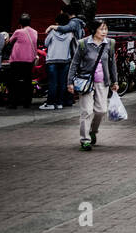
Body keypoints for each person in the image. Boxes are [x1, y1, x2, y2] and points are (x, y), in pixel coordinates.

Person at [67, 18, 118, 151]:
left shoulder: (110, 44)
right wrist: (70, 81)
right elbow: (75, 63)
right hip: (85, 82)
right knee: (87, 111)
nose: (104, 32)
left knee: (101, 110)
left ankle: (93, 131)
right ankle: (85, 140)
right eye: (101, 29)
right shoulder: (83, 44)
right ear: (94, 30)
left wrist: (115, 81)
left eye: (106, 29)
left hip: (102, 82)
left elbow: (112, 64)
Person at [41, 20, 77, 110]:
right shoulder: (70, 34)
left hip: (52, 61)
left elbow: (46, 44)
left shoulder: (52, 32)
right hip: (65, 60)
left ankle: (50, 103)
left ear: (57, 24)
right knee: (62, 83)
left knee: (53, 83)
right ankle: (59, 103)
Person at [5, 15, 39, 110]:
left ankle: (13, 103)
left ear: (20, 24)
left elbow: (10, 42)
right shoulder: (35, 32)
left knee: (14, 82)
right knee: (27, 82)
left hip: (17, 60)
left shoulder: (18, 32)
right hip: (29, 60)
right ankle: (27, 103)